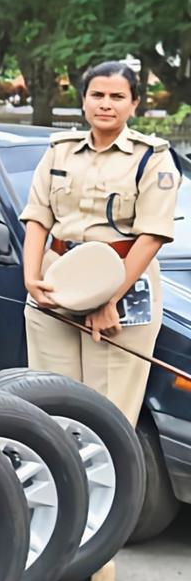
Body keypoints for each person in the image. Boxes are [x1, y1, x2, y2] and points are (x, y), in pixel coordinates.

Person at [21, 61, 180, 427]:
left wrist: (109, 299)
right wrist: (31, 278)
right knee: (51, 397)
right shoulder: (59, 151)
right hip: (56, 279)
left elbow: (151, 235)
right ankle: (59, 480)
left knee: (107, 408)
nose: (106, 104)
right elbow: (37, 218)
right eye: (97, 95)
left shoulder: (152, 158)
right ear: (83, 101)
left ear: (134, 104)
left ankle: (106, 484)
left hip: (123, 282)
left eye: (117, 96)